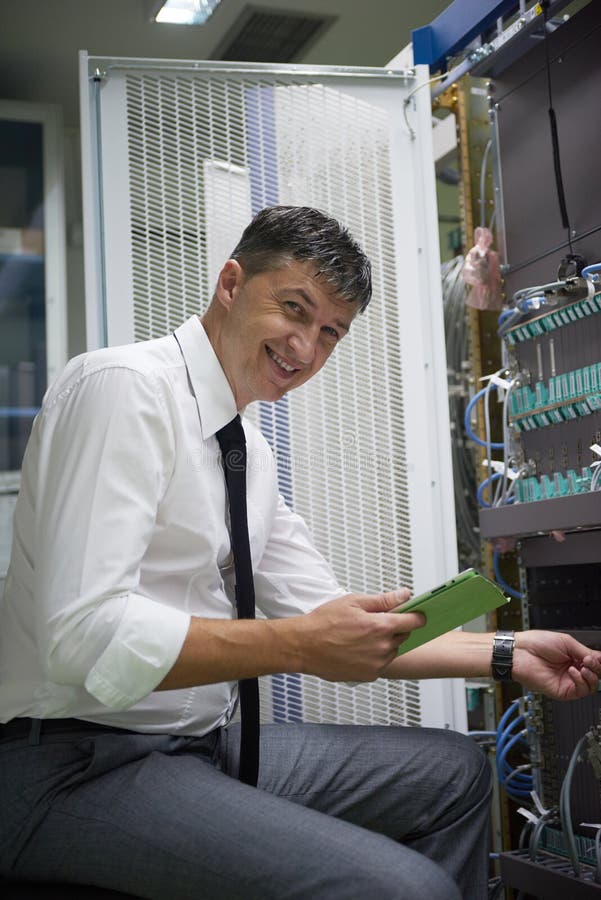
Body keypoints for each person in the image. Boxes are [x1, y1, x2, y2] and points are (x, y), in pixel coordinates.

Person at [0, 205, 600, 900]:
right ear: (230, 283)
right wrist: (296, 645)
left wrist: (508, 652)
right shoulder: (124, 391)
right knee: (403, 889)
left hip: (193, 747)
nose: (306, 348)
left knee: (453, 773)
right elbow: (82, 639)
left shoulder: (244, 449)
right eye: (293, 309)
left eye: (329, 333)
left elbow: (329, 619)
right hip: (67, 763)